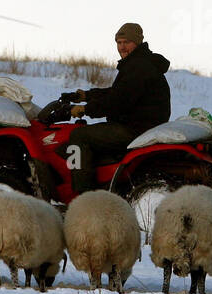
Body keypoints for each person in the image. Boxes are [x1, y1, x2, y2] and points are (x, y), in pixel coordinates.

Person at [66, 22, 170, 194]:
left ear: (137, 42)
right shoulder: (140, 63)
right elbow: (119, 92)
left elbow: (118, 101)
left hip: (135, 128)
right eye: (119, 43)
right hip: (143, 125)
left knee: (78, 136)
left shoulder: (139, 66)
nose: (122, 47)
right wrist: (87, 95)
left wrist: (86, 109)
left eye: (126, 42)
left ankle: (83, 196)